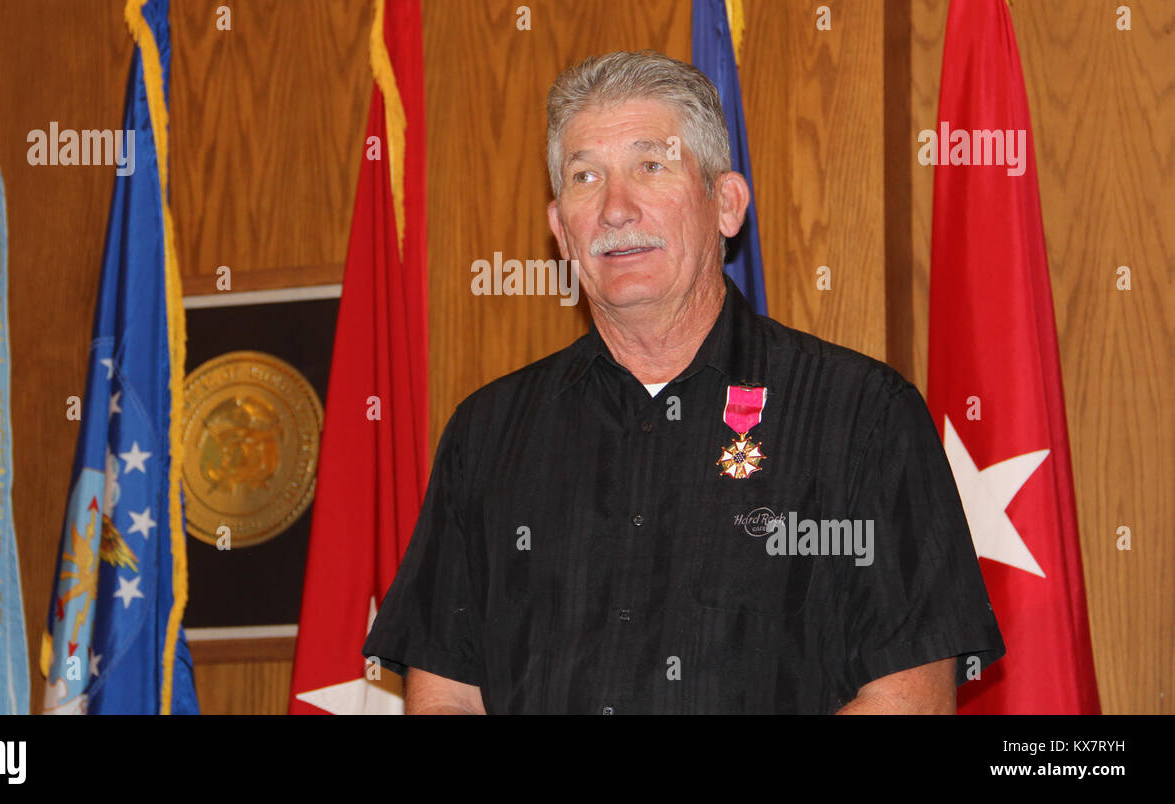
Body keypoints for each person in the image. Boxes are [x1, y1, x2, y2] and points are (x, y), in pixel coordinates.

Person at [362, 49, 1004, 713]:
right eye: (585, 177)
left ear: (726, 204)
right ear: (560, 231)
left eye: (651, 165)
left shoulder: (863, 415)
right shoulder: (489, 434)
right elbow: (447, 693)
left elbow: (909, 698)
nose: (615, 209)